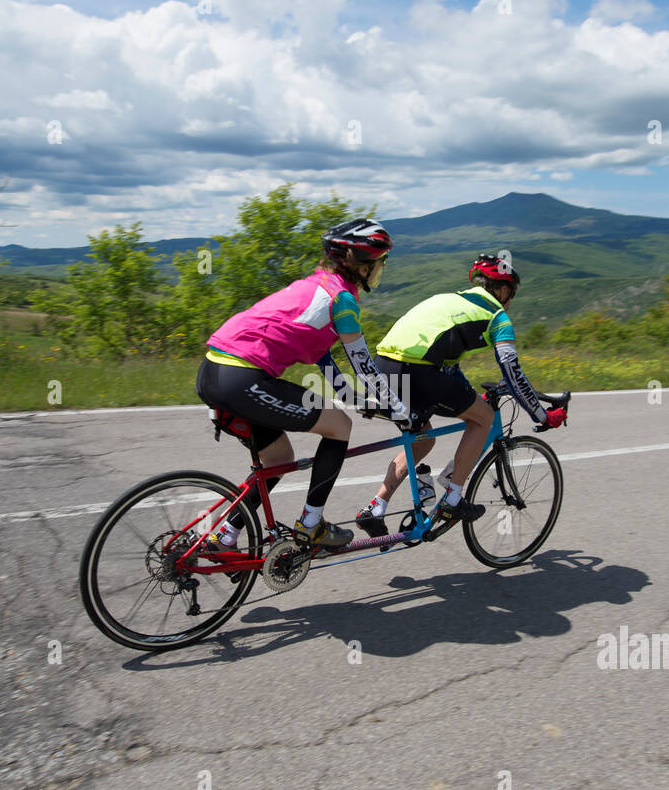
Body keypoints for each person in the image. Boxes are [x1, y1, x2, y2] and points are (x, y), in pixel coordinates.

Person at [196, 217, 412, 551]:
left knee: (278, 458)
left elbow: (321, 354)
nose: (380, 269)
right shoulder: (342, 299)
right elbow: (363, 364)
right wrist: (399, 409)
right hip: (241, 376)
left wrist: (352, 396)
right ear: (360, 264)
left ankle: (224, 536)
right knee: (339, 426)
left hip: (213, 371)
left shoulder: (317, 285)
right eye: (378, 262)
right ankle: (311, 525)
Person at [356, 253, 567, 534]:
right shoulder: (497, 317)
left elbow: (448, 363)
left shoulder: (450, 300)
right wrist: (542, 415)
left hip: (382, 366)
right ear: (504, 290)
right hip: (418, 371)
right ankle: (453, 499)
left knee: (422, 439)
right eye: (512, 294)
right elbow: (512, 373)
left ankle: (376, 507)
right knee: (484, 418)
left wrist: (470, 396)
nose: (511, 301)